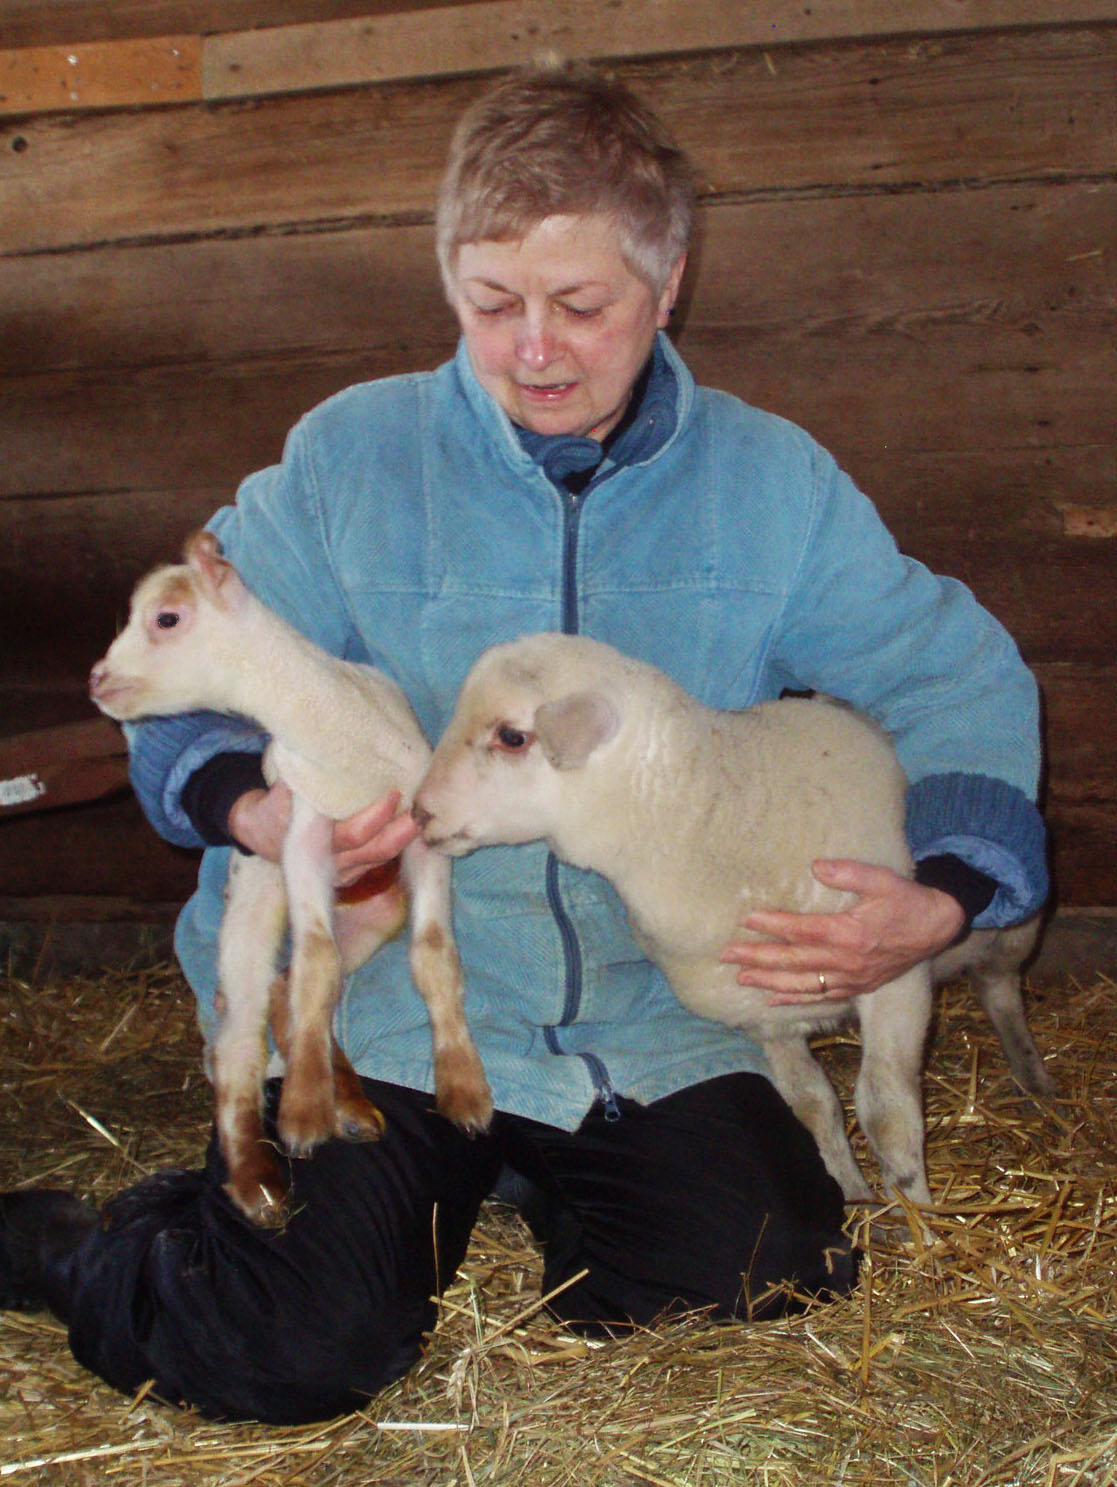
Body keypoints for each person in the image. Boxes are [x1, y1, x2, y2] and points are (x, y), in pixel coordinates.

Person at [0, 62, 1047, 1423]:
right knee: (294, 1349)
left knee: (759, 1288)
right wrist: (251, 810)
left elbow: (949, 671)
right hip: (387, 996)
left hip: (648, 1009)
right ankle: (84, 1240)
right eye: (493, 305)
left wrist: (942, 896)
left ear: (666, 286)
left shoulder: (767, 485)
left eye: (580, 304)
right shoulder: (348, 462)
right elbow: (194, 666)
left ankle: (514, 1179)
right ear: (447, 281)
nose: (535, 349)